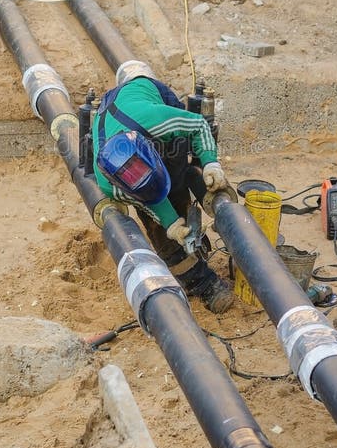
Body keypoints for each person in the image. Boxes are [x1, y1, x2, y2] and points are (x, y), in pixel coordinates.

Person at [92, 60, 235, 313]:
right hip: (115, 121)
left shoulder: (155, 120)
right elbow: (147, 200)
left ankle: (191, 178)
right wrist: (171, 225)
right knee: (159, 226)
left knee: (177, 172)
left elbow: (197, 125)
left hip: (147, 98)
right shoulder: (111, 186)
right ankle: (202, 283)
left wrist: (211, 163)